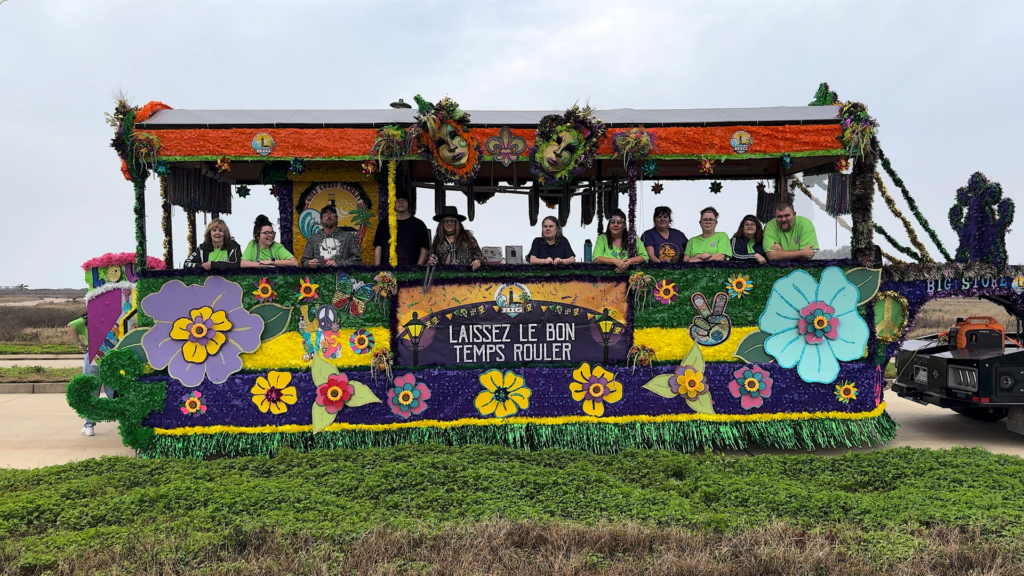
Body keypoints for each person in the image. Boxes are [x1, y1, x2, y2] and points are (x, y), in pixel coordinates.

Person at [67, 314, 112, 437]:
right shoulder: (113, 316)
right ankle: (125, 422)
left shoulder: (88, 318)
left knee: (91, 390)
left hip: (93, 355)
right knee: (112, 390)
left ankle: (89, 425)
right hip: (111, 357)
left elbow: (70, 326)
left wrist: (78, 343)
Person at [373, 189, 430, 266]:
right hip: (386, 272)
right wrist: (378, 268)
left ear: (409, 203)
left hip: (412, 272)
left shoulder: (419, 225)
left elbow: (424, 249)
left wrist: (418, 268)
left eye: (404, 200)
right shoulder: (384, 224)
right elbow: (378, 247)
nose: (401, 202)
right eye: (397, 200)